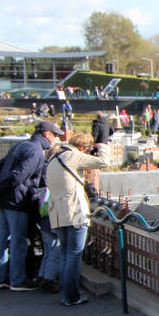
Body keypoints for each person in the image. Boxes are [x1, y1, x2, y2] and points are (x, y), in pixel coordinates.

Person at [0, 121, 58, 291]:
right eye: (55, 135)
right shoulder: (36, 151)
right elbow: (19, 175)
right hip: (17, 200)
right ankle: (17, 280)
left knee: (2, 239)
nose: (56, 139)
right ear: (47, 134)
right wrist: (1, 189)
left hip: (3, 200)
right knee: (18, 240)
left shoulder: (21, 144)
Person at [44, 131, 107, 306]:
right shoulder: (73, 156)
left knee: (65, 254)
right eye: (86, 150)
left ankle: (65, 294)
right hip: (75, 213)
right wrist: (102, 146)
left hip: (57, 214)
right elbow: (103, 162)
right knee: (74, 254)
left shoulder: (52, 159)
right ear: (82, 147)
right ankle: (71, 296)